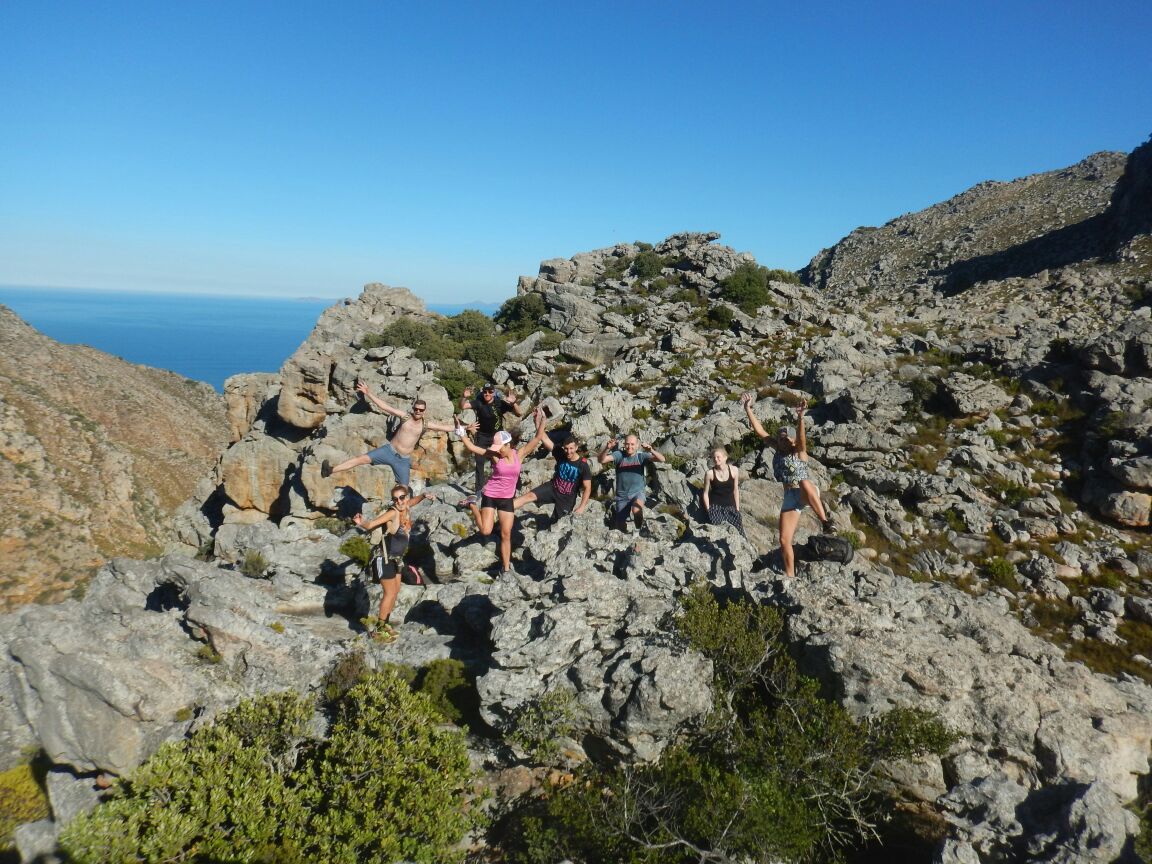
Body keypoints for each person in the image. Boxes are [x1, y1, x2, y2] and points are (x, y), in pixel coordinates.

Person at [741, 393, 833, 580]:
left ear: (792, 440)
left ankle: (826, 522)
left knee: (803, 480)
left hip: (806, 492)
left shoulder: (799, 452)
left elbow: (802, 438)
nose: (782, 440)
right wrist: (747, 408)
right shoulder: (777, 448)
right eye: (780, 438)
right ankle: (790, 575)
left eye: (786, 438)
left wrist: (800, 418)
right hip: (791, 497)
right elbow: (760, 431)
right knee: (784, 540)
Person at [322, 381, 462, 487]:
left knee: (404, 488)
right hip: (388, 451)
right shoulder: (405, 416)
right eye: (416, 409)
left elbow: (445, 428)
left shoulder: (426, 424)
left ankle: (400, 513)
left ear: (424, 411)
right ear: (413, 408)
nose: (418, 411)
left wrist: (464, 427)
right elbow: (384, 406)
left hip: (403, 460)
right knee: (360, 459)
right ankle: (330, 470)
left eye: (421, 410)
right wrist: (368, 393)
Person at [457, 408, 546, 576]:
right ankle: (472, 505)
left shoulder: (519, 454)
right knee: (486, 531)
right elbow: (472, 447)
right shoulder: (495, 455)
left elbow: (538, 437)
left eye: (500, 447)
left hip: (506, 499)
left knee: (506, 534)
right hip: (490, 495)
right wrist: (460, 431)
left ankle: (505, 569)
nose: (498, 450)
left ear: (508, 444)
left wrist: (542, 421)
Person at [352, 484, 434, 642]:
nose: (399, 501)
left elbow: (413, 501)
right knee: (389, 593)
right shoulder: (392, 513)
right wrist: (361, 522)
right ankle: (379, 630)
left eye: (402, 497)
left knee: (395, 592)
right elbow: (371, 524)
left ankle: (385, 625)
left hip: (396, 559)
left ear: (406, 497)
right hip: (383, 558)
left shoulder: (406, 507)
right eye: (395, 499)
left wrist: (424, 495)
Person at [513, 424, 593, 522]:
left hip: (567, 498)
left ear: (576, 448)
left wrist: (581, 507)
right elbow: (545, 439)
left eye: (571, 448)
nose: (568, 451)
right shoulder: (561, 454)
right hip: (552, 487)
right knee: (529, 496)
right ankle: (504, 509)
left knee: (557, 523)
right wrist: (538, 423)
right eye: (566, 448)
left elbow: (587, 488)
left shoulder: (583, 465)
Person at [460, 383, 523, 494]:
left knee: (506, 458)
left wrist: (514, 403)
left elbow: (519, 413)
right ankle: (479, 491)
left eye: (490, 391)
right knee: (479, 462)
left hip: (497, 437)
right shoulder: (479, 402)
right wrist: (464, 397)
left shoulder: (499, 403)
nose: (487, 394)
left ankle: (516, 485)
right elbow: (463, 406)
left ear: (494, 393)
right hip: (482, 436)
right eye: (485, 391)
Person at [598, 434, 666, 532]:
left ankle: (638, 530)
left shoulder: (641, 456)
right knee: (620, 524)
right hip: (622, 495)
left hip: (637, 492)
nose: (629, 447)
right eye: (627, 444)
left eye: (632, 444)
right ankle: (626, 535)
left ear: (637, 445)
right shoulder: (619, 455)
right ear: (624, 444)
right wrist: (607, 448)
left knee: (636, 509)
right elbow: (601, 460)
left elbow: (662, 459)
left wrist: (651, 450)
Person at [701, 446, 746, 538]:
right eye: (714, 457)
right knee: (719, 535)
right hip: (715, 508)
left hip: (731, 507)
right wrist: (708, 510)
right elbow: (705, 493)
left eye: (718, 457)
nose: (716, 459)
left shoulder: (734, 470)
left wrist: (737, 509)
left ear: (725, 457)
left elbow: (736, 490)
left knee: (739, 534)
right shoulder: (709, 473)